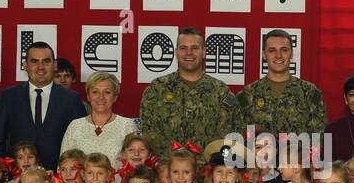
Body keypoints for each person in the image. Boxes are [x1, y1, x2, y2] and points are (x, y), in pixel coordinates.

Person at [138, 28, 242, 159]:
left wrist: (213, 159)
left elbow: (233, 131)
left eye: (194, 48)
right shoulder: (157, 89)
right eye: (183, 48)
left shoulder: (220, 91)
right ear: (176, 52)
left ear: (204, 52)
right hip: (168, 170)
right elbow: (149, 131)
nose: (189, 53)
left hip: (209, 172)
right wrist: (175, 159)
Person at [0, 41, 87, 171]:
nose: (40, 67)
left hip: (59, 180)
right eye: (34, 61)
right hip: (18, 181)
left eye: (46, 61)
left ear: (55, 65)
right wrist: (0, 177)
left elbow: (80, 142)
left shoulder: (71, 99)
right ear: (25, 65)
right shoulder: (9, 96)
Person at [236, 29, 327, 142]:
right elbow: (237, 139)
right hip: (258, 159)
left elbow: (321, 140)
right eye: (272, 50)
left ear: (292, 54)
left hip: (298, 159)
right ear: (264, 55)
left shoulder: (310, 93)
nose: (278, 55)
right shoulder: (246, 96)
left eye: (284, 50)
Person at [60, 72, 137, 167]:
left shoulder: (127, 125)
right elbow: (62, 166)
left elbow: (137, 166)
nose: (101, 97)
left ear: (115, 97)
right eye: (95, 92)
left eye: (107, 92)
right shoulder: (75, 126)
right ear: (88, 96)